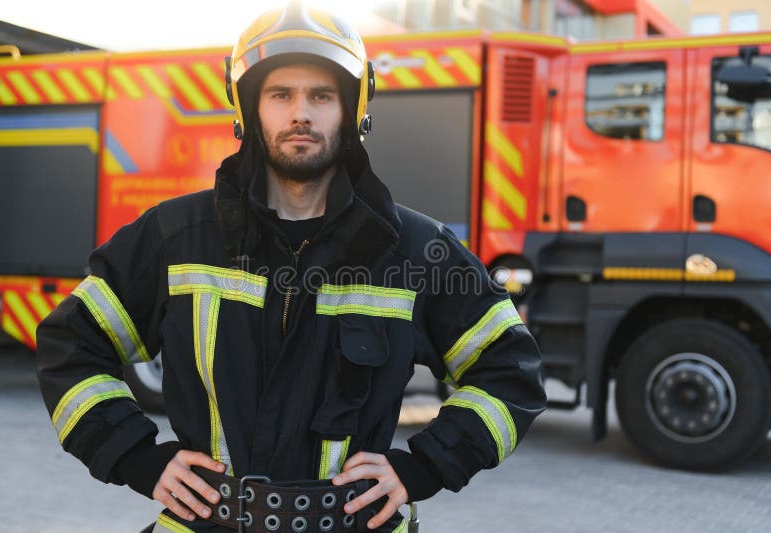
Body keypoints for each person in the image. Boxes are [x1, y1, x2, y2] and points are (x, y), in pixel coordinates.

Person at [36, 2, 546, 532]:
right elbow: (71, 346)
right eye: (281, 94)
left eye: (321, 96)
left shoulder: (416, 251)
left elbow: (511, 370)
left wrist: (423, 467)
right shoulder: (174, 236)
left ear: (352, 110)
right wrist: (136, 456)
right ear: (249, 108)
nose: (301, 113)